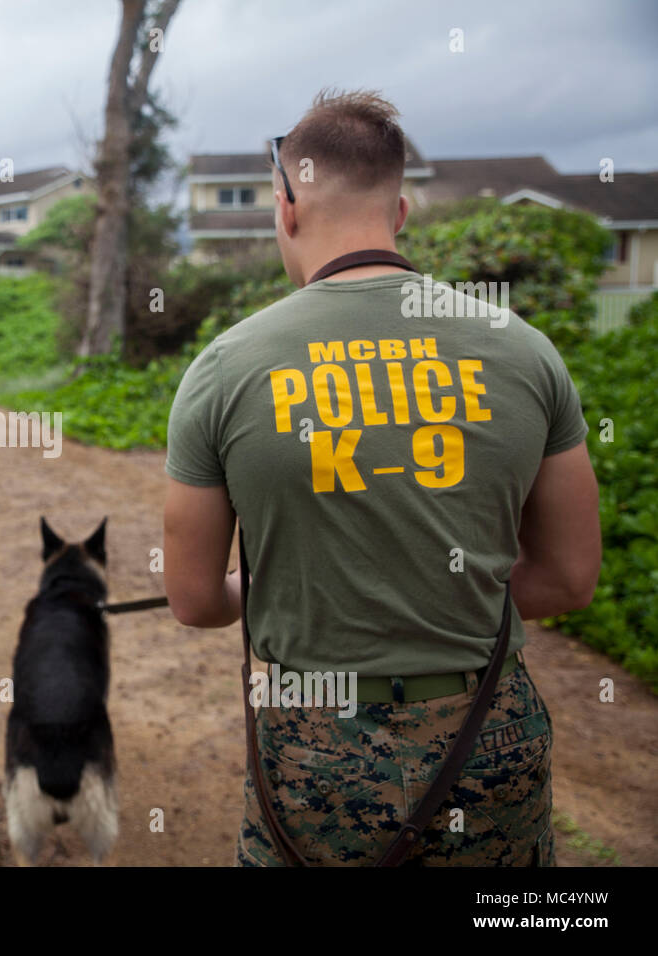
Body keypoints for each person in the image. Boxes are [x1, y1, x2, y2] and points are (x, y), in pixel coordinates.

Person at [162, 89, 601, 866]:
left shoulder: (225, 368)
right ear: (399, 214)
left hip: (312, 748)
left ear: (286, 206)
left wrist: (305, 592)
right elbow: (568, 577)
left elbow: (196, 600)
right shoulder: (525, 352)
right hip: (488, 735)